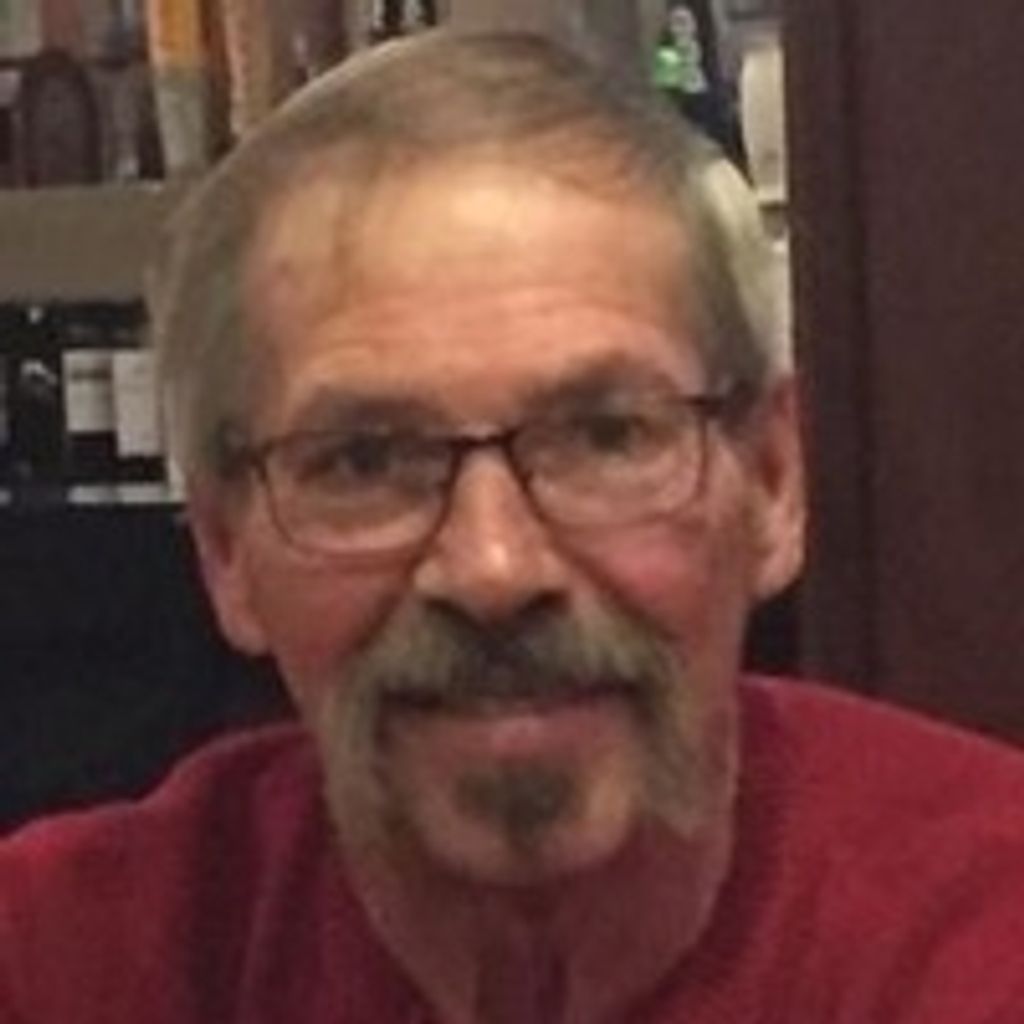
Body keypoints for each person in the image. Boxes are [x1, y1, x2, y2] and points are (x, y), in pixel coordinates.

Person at [2, 29, 1023, 1024]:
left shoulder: (982, 931)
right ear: (225, 549)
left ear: (769, 482)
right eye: (364, 461)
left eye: (606, 436)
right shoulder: (69, 954)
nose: (493, 569)